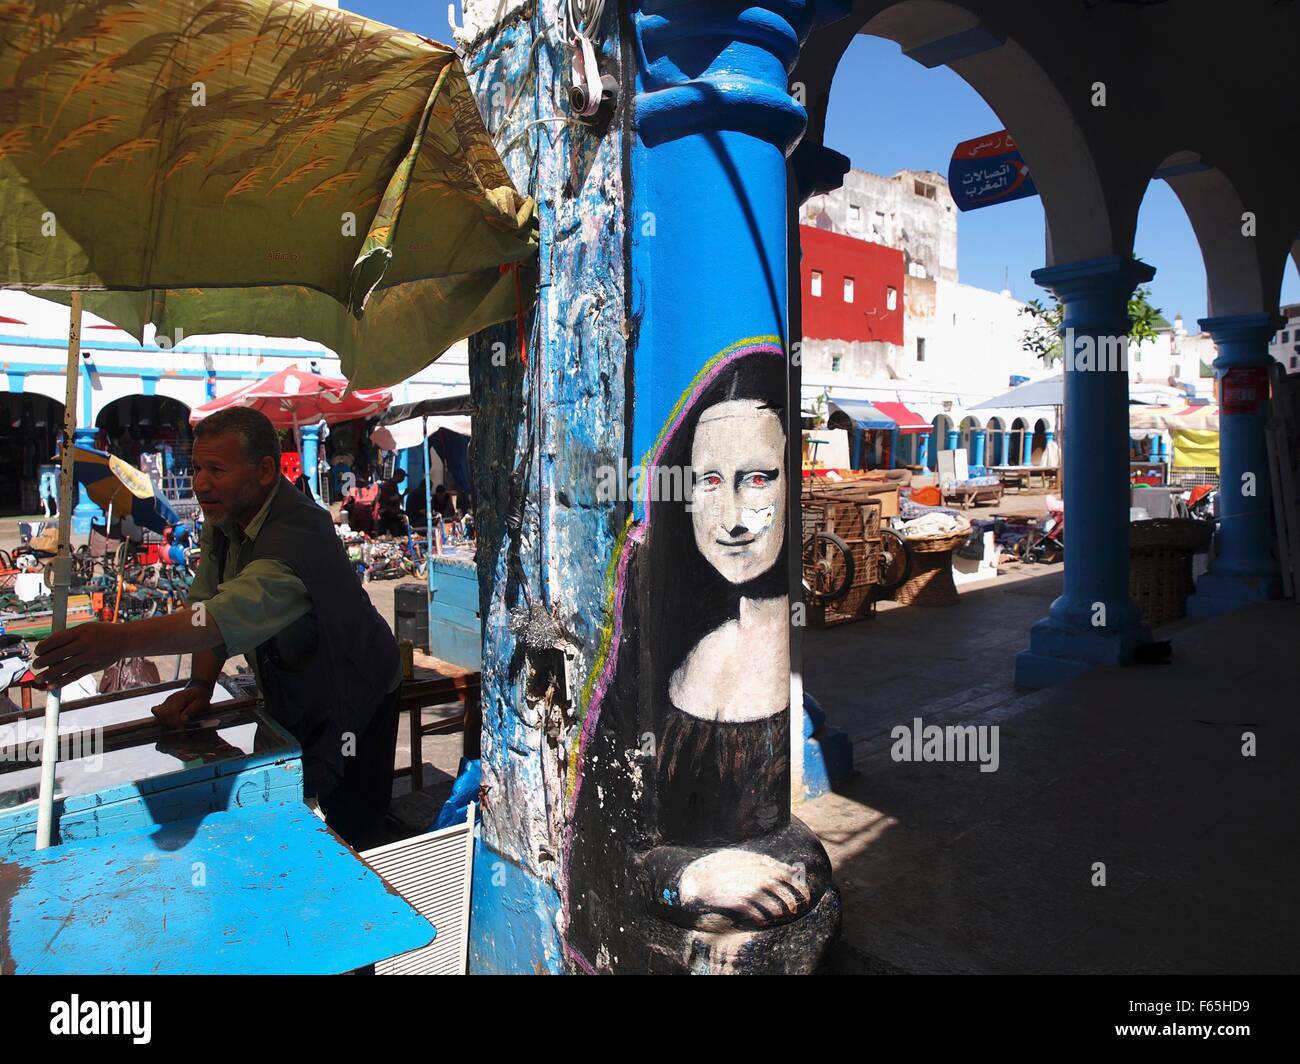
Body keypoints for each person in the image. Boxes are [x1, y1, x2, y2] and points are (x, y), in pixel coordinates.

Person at [562, 345, 836, 975]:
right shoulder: (657, 633)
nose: (733, 519)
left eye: (758, 478)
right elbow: (600, 831)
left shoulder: (773, 641)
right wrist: (687, 877)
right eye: (709, 481)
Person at [34, 407, 403, 850]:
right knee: (298, 794)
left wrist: (121, 639)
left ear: (265, 470)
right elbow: (207, 599)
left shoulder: (298, 535)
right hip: (294, 679)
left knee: (352, 820)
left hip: (357, 688)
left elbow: (218, 618)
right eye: (196, 468)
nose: (200, 483)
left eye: (216, 469)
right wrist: (201, 682)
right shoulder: (226, 513)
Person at [376, 468, 407, 535]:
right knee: (391, 532)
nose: (403, 479)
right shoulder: (389, 485)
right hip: (387, 513)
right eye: (402, 477)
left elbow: (396, 499)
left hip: (391, 513)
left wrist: (404, 494)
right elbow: (385, 500)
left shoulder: (394, 485)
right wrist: (391, 509)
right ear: (397, 475)